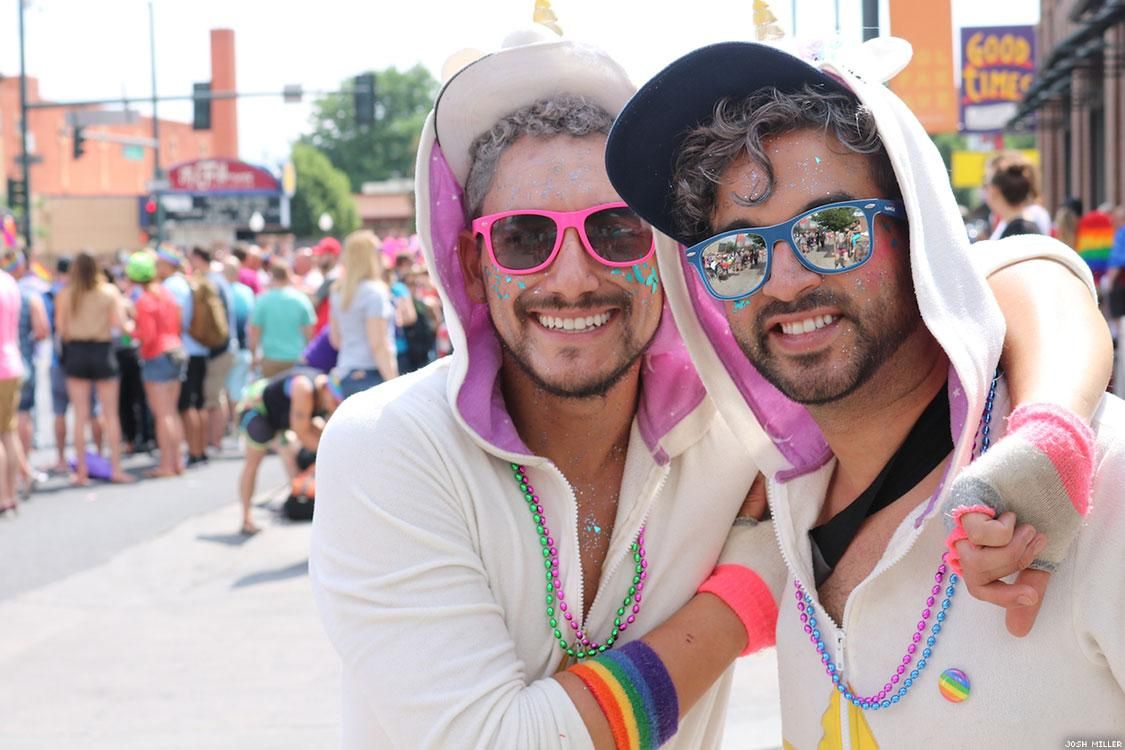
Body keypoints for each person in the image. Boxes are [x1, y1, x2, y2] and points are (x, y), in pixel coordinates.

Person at [310, 31, 1111, 748]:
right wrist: (750, 589)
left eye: (615, 230)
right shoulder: (395, 445)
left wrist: (1051, 432)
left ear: (661, 260)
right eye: (523, 237)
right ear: (474, 264)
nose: (573, 277)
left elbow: (987, 274)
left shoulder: (733, 428)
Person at [606, 36, 1123, 745]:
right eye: (737, 251)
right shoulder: (772, 507)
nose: (784, 282)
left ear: (920, 236)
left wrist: (1052, 444)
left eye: (833, 229)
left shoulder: (1099, 483)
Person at [55, 251, 133, 485]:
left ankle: (81, 473)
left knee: (80, 415)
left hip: (77, 352)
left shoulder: (66, 295)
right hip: (102, 351)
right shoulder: (108, 292)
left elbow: (62, 331)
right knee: (110, 414)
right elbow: (121, 326)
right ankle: (116, 469)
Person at [236, 366, 341, 535]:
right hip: (258, 410)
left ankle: (305, 504)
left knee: (296, 461)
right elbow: (302, 432)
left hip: (283, 416)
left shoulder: (322, 391)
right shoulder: (304, 389)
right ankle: (246, 517)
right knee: (253, 463)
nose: (335, 407)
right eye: (335, 402)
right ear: (327, 389)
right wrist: (335, 459)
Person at [127, 251, 185, 478]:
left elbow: (148, 336)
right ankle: (177, 461)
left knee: (163, 416)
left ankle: (167, 465)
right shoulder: (166, 294)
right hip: (175, 351)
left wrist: (133, 331)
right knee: (172, 412)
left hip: (157, 355)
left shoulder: (144, 300)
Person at [328, 230, 397, 399]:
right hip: (372, 373)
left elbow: (335, 340)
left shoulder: (339, 292)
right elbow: (378, 344)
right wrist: (395, 384)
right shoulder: (374, 292)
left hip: (347, 371)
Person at [189, 247, 236, 454]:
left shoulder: (209, 282)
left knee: (213, 398)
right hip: (225, 346)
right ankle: (215, 439)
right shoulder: (219, 280)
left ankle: (214, 441)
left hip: (218, 347)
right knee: (218, 396)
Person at [248, 260, 316, 378]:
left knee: (270, 394)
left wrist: (253, 355)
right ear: (289, 276)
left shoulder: (262, 300)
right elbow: (309, 332)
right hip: (295, 358)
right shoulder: (301, 299)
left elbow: (254, 332)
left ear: (272, 276)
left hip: (270, 358)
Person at [0, 264, 25, 514]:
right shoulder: (9, 281)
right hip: (12, 362)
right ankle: (11, 494)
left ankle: (2, 497)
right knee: (9, 431)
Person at [983, 154, 1042, 239]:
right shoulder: (1021, 226)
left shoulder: (1018, 231)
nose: (985, 190)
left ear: (994, 190)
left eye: (985, 185)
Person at [222, 256, 255, 406]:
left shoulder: (220, 290)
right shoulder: (247, 292)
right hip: (243, 348)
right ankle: (234, 426)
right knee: (238, 391)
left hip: (225, 350)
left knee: (225, 392)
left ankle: (230, 426)